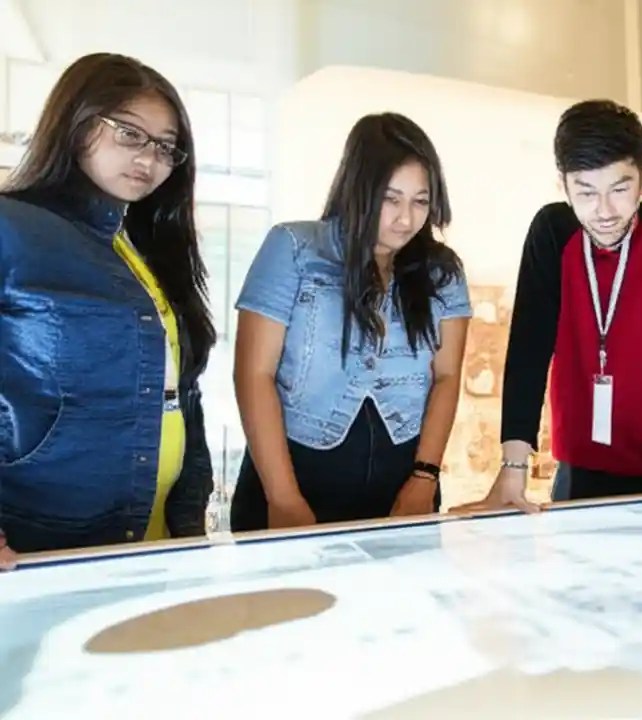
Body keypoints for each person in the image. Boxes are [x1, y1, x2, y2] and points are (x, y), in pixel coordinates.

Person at [457, 100, 642, 509]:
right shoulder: (552, 232)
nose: (604, 211)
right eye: (586, 192)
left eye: (620, 189)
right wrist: (513, 468)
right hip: (582, 469)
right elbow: (529, 348)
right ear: (563, 186)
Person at [0, 53, 216, 568]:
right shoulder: (13, 228)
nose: (150, 159)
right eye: (129, 134)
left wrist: (191, 510)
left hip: (157, 525)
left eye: (167, 147)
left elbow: (183, 393)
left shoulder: (146, 247)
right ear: (75, 123)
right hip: (43, 533)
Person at [231, 113, 470, 531]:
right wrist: (284, 499)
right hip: (294, 481)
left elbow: (447, 376)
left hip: (401, 489)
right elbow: (253, 373)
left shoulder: (442, 272)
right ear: (359, 189)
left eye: (420, 201)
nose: (406, 219)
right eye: (390, 198)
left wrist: (424, 477)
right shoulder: (293, 248)